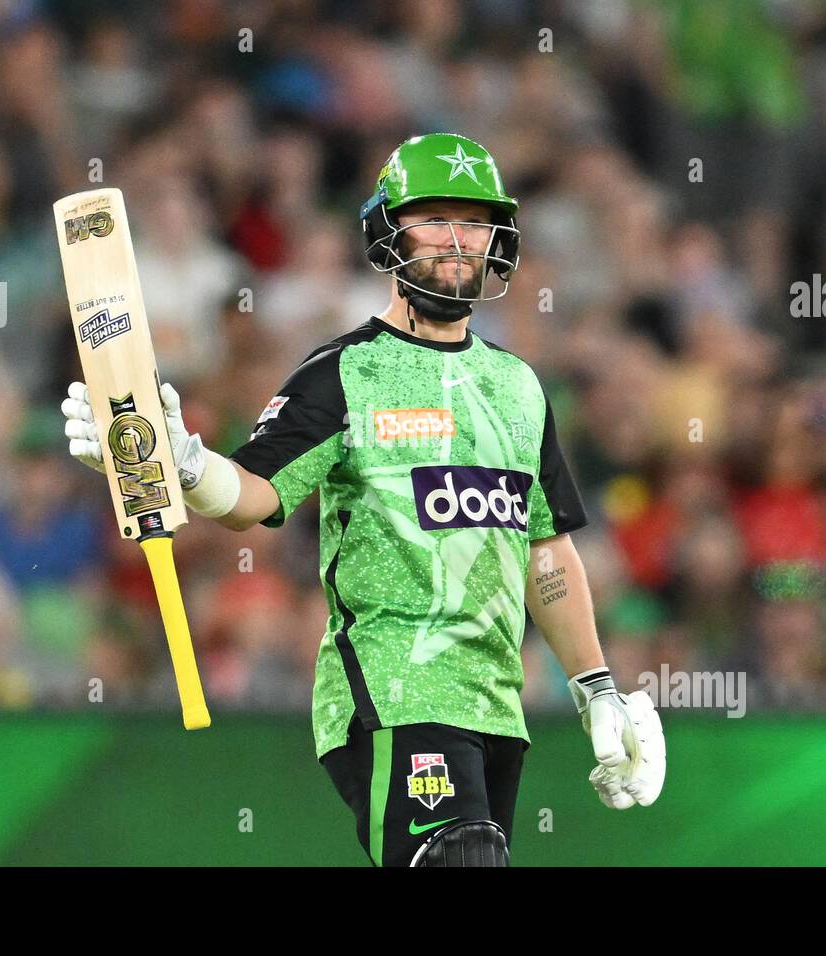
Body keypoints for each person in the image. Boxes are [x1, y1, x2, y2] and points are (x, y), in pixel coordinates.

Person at [61, 133, 666, 866]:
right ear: (388, 232)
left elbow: (547, 547)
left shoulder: (520, 387)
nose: (456, 239)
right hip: (388, 691)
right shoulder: (344, 373)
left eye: (474, 221)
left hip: (497, 706)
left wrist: (596, 688)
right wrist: (181, 463)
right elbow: (251, 497)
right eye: (433, 218)